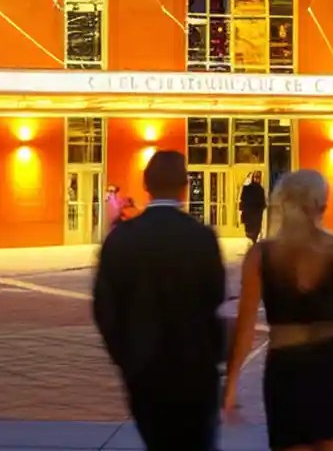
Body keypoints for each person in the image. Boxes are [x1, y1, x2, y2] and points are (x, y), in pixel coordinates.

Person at [223, 169, 333, 451]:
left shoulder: (262, 255)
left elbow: (246, 324)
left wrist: (232, 383)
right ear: (322, 204)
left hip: (287, 367)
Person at [93, 151, 226, 450]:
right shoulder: (201, 236)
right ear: (184, 185)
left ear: (146, 184)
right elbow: (214, 297)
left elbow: (104, 308)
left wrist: (126, 357)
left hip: (143, 369)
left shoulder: (122, 238)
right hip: (195, 369)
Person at [239, 171, 268, 244]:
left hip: (254, 214)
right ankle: (253, 240)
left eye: (258, 177)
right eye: (256, 177)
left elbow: (243, 199)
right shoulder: (249, 189)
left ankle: (253, 240)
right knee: (252, 229)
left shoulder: (259, 189)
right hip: (252, 214)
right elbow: (243, 199)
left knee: (253, 229)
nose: (257, 179)